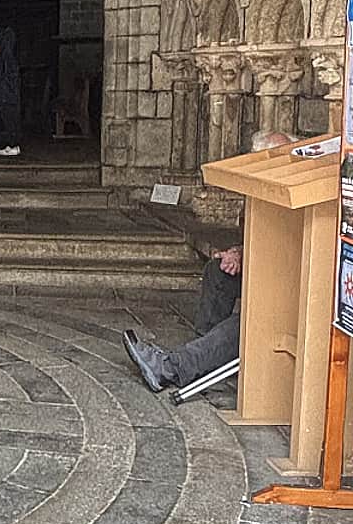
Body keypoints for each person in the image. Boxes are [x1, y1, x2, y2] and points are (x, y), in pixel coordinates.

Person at [124, 131, 296, 392]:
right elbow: (263, 243)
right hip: (266, 274)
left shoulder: (302, 199)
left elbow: (294, 254)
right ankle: (207, 352)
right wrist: (238, 253)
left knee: (253, 318)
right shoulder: (259, 197)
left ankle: (172, 368)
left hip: (293, 291)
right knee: (219, 272)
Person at [0, 28, 21, 157]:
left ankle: (13, 145)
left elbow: (6, 80)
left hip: (7, 96)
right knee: (9, 120)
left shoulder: (6, 60)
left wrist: (1, 94)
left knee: (10, 120)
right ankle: (12, 144)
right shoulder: (8, 59)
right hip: (9, 95)